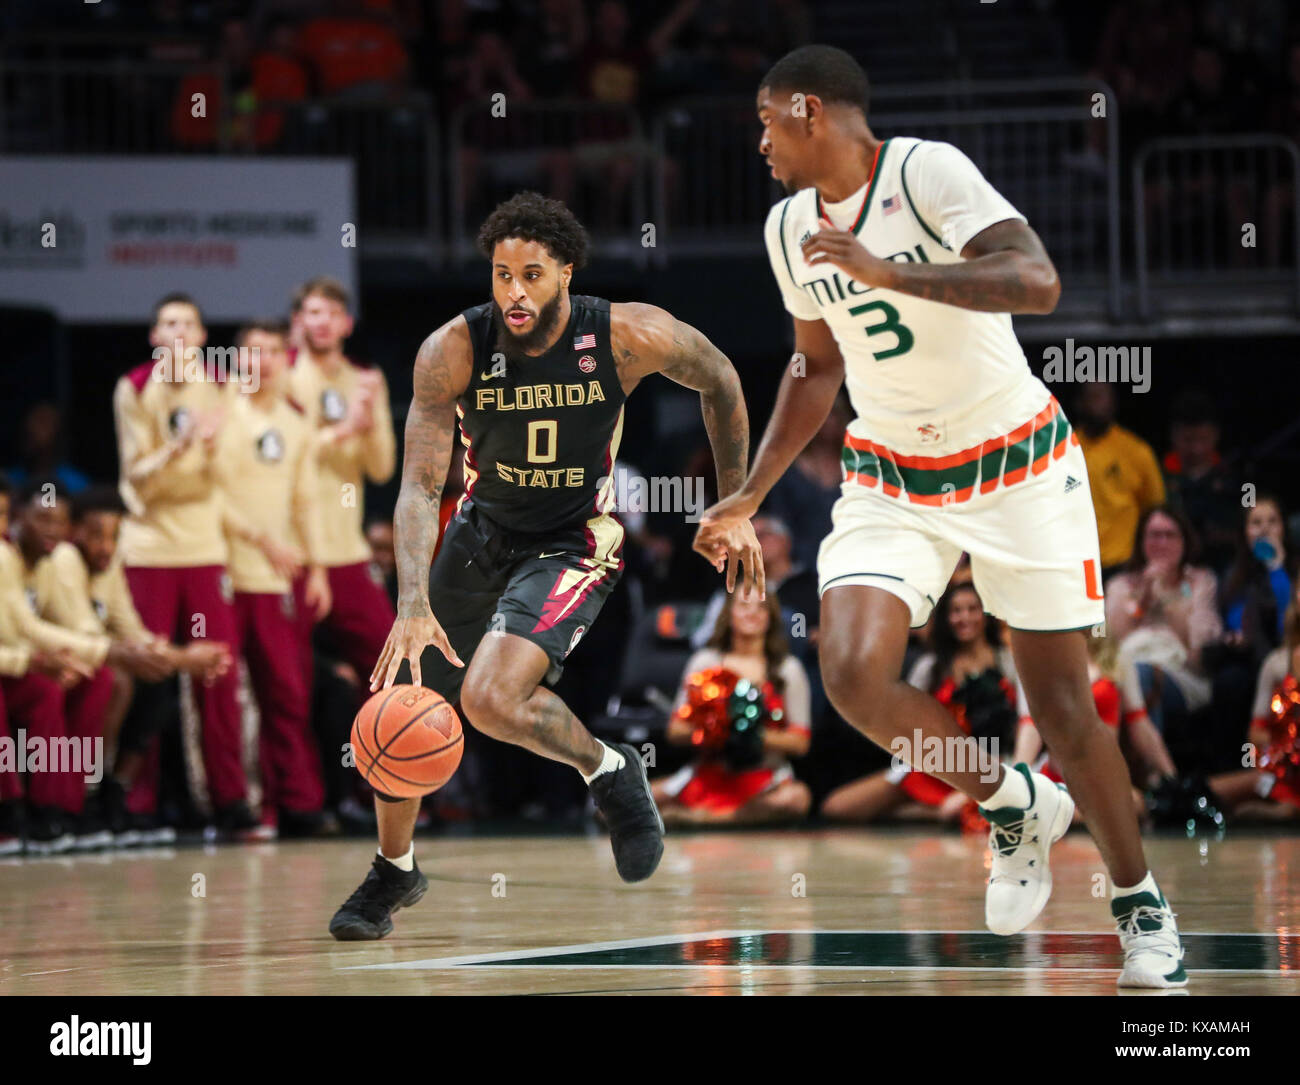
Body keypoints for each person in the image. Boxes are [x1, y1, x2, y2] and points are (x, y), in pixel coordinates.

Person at [694, 45, 1187, 987]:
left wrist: (887, 271)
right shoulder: (786, 225)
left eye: (766, 120)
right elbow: (817, 364)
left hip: (1019, 470)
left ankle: (1142, 908)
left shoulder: (928, 171)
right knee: (848, 672)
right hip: (892, 474)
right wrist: (749, 495)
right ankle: (1011, 801)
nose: (759, 141)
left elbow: (1036, 282)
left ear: (810, 109)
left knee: (1066, 711)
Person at [329, 191, 757, 940]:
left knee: (492, 701)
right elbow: (420, 488)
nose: (514, 291)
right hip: (480, 530)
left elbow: (721, 379)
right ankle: (395, 867)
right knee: (402, 688)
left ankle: (607, 768)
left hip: (571, 540)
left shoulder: (626, 334)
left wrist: (735, 505)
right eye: (501, 274)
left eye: (531, 273)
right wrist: (410, 600)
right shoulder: (453, 348)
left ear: (566, 270)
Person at [112, 293, 268, 836]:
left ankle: (228, 801)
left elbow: (227, 474)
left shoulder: (223, 386)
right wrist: (179, 446)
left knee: (218, 674)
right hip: (149, 547)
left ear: (202, 337)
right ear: (155, 337)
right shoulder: (133, 387)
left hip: (205, 548)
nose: (178, 332)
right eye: (167, 324)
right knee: (152, 670)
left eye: (188, 324)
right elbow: (136, 478)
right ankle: (138, 804)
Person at [47, 486, 231, 844]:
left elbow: (129, 627)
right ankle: (86, 795)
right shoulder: (65, 559)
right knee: (116, 680)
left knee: (157, 679)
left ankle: (115, 793)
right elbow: (90, 638)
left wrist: (168, 656)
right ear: (75, 531)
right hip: (64, 666)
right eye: (97, 535)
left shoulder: (108, 566)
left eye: (114, 536)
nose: (106, 546)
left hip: (93, 662)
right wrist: (185, 659)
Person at [217, 321, 334, 838]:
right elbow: (207, 495)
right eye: (251, 353)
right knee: (231, 699)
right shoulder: (220, 415)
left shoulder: (296, 422)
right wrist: (262, 540)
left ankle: (298, 803)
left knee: (287, 693)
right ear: (237, 359)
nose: (260, 362)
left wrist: (320, 569)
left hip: (277, 579)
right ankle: (240, 807)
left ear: (284, 361)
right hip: (222, 570)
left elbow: (307, 501)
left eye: (270, 353)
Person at [287, 277, 396, 722]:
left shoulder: (366, 380)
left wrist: (367, 427)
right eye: (314, 312)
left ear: (348, 323)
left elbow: (382, 468)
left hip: (347, 552)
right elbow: (287, 459)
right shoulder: (284, 378)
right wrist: (342, 432)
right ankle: (298, 793)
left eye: (333, 313)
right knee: (289, 682)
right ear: (298, 322)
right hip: (293, 551)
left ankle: (383, 784)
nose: (323, 322)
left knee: (391, 670)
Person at [821, 581, 1019, 827]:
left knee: (968, 804)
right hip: (934, 765)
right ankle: (938, 812)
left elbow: (1023, 723)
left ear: (986, 614)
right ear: (946, 618)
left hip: (994, 764)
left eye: (972, 609)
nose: (964, 617)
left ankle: (958, 807)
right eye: (956, 611)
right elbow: (905, 722)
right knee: (837, 807)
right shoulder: (931, 667)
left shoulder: (1008, 663)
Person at [654, 585, 812, 825]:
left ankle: (709, 818)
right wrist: (716, 730)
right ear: (728, 613)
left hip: (764, 779)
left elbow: (800, 742)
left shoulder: (787, 668)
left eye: (762, 607)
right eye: (744, 605)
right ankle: (717, 813)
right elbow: (675, 731)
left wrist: (751, 734)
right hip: (707, 774)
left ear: (771, 617)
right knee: (614, 802)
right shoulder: (705, 661)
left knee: (797, 799)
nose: (753, 613)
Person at [1104, 506, 1222, 742]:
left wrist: (1167, 600)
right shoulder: (1120, 585)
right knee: (1128, 676)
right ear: (1141, 541)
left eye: (1170, 535)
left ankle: (1151, 772)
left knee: (1140, 675)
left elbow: (1199, 653)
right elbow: (1111, 646)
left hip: (1182, 675)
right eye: (1154, 535)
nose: (1162, 543)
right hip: (1126, 668)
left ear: (1184, 541)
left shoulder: (1200, 582)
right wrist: (1146, 596)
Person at [1072, 382, 1166, 574]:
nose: (1099, 403)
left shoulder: (1137, 451)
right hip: (1076, 563)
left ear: (1114, 403)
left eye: (1104, 396)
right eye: (1093, 396)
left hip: (1124, 564)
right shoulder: (1064, 449)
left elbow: (1155, 508)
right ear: (1079, 403)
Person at [1162, 389, 1239, 573]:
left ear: (1215, 435)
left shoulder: (1239, 480)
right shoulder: (1160, 478)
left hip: (1226, 569)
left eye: (1203, 439)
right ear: (1174, 436)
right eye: (1188, 440)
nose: (1196, 449)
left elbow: (1250, 520)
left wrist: (1227, 535)